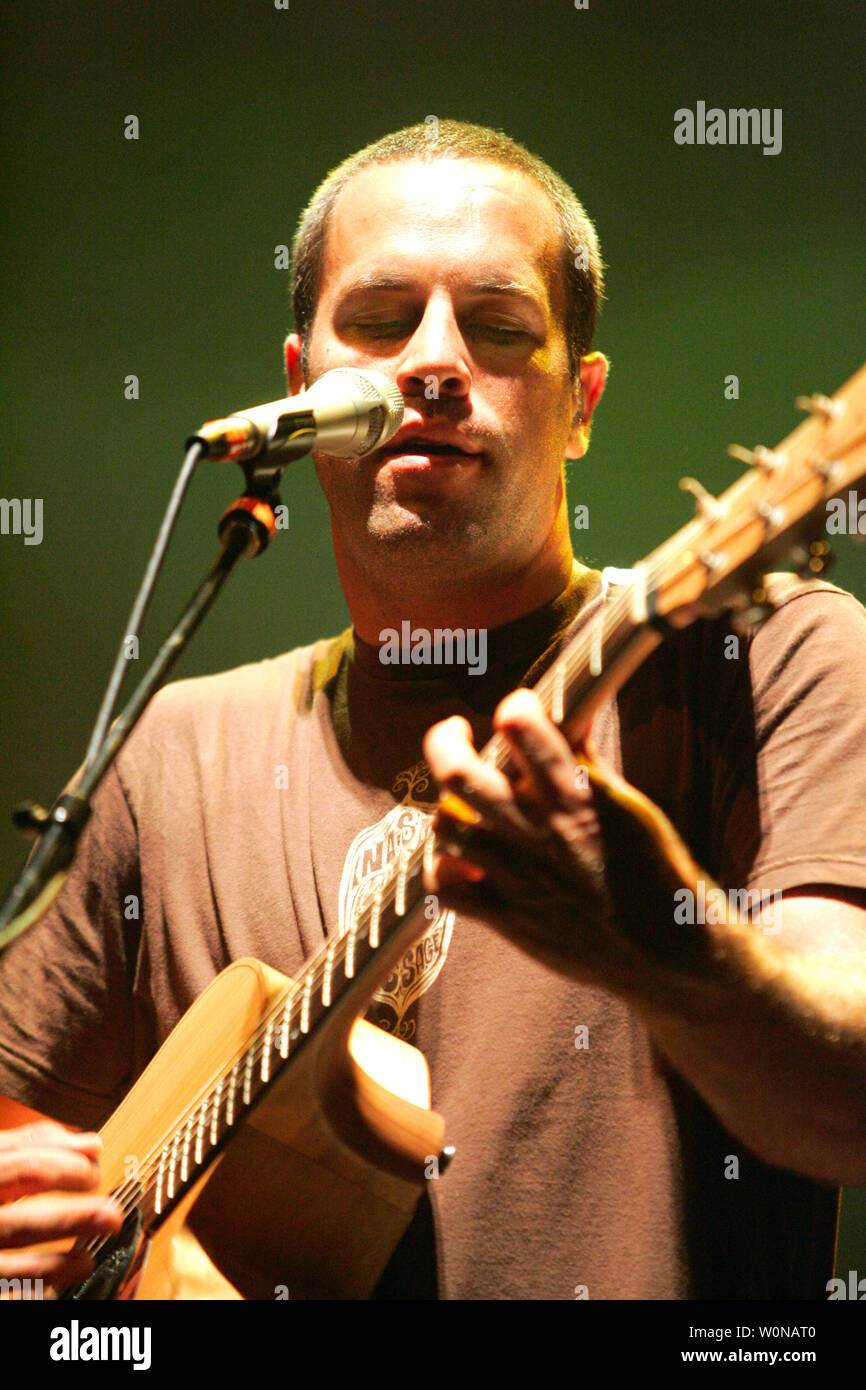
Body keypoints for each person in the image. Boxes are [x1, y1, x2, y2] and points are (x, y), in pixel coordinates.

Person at [1, 120, 866, 1301]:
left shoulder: (766, 655)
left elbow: (848, 1108)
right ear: (303, 387)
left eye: (500, 328)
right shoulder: (172, 750)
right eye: (379, 317)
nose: (432, 360)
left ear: (580, 405)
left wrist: (663, 952)